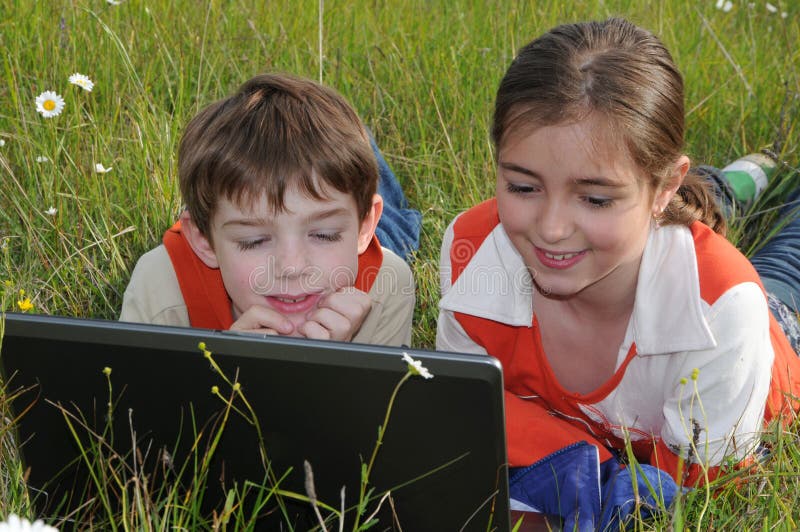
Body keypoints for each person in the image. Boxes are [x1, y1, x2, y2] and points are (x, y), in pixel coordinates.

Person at [436, 18, 799, 531]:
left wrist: (555, 456)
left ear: (663, 187)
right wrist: (589, 463)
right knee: (708, 198)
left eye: (595, 198)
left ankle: (769, 175)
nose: (552, 229)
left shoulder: (722, 307)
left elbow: (690, 500)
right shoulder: (472, 254)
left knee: (785, 263)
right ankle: (744, 174)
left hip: (775, 326)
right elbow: (465, 419)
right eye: (522, 187)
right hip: (665, 231)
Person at [120, 73, 416, 347]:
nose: (291, 267)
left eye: (325, 235)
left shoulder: (386, 286)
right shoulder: (160, 287)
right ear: (204, 241)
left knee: (399, 227)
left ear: (365, 226)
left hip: (371, 236)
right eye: (254, 241)